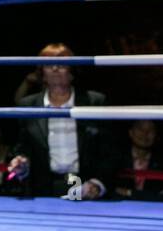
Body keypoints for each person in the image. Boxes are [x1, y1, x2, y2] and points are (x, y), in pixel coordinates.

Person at [6, 43, 115, 199]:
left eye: (61, 63)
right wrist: (21, 165)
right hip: (42, 190)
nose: (55, 68)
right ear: (42, 71)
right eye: (49, 63)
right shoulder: (28, 105)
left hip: (85, 186)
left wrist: (97, 184)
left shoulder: (94, 101)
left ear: (72, 70)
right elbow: (23, 148)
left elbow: (110, 151)